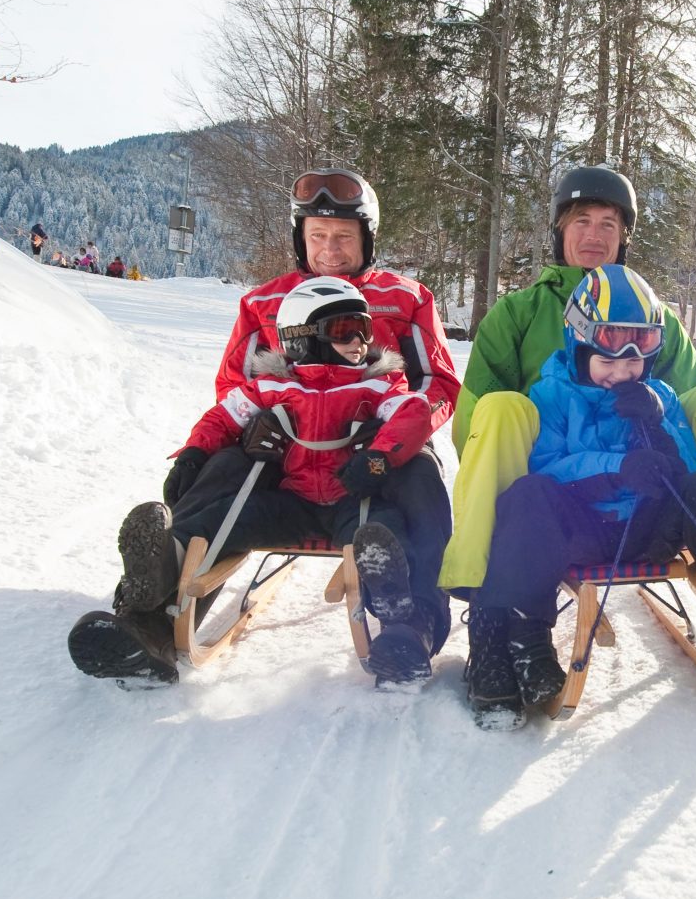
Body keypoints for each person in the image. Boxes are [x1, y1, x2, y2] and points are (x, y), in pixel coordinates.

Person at [446, 165, 696, 682]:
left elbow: (685, 402)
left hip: (645, 470)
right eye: (582, 220)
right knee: (500, 409)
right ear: (560, 229)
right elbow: (474, 422)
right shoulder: (519, 312)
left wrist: (659, 435)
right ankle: (493, 614)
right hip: (551, 471)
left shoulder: (653, 314)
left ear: (624, 236)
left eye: (609, 223)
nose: (594, 234)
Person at [69, 279, 440, 686]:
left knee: (381, 530)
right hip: (290, 500)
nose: (358, 341)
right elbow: (223, 417)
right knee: (227, 515)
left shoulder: (377, 383)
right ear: (301, 338)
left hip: (352, 499)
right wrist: (195, 452)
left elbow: (413, 414)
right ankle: (162, 565)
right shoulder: (271, 385)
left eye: (363, 329)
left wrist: (378, 458)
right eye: (342, 330)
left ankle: (391, 595)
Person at [467, 265, 696, 728]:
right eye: (608, 361)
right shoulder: (552, 395)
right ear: (579, 347)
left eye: (634, 361)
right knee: (528, 494)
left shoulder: (659, 395)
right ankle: (529, 641)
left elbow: (687, 470)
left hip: (648, 527)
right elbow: (547, 464)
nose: (622, 371)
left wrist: (659, 428)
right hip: (581, 529)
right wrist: (614, 468)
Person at [204, 168, 460, 652]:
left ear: (367, 237)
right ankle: (162, 605)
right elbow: (235, 383)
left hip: (382, 450)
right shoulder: (264, 301)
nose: (330, 249)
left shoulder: (405, 297)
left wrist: (392, 437)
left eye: (343, 236)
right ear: (300, 238)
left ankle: (419, 617)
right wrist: (254, 427)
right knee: (219, 470)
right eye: (317, 235)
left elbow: (439, 384)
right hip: (287, 447)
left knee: (422, 482)